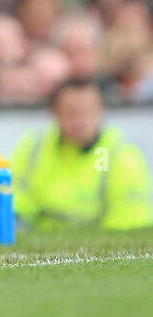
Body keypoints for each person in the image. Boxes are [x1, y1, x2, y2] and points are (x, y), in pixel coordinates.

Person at [11, 78, 153, 231]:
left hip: (98, 240)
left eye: (87, 111)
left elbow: (130, 216)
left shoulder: (120, 154)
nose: (80, 120)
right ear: (54, 112)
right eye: (71, 112)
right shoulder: (34, 147)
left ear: (101, 110)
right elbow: (15, 199)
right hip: (39, 236)